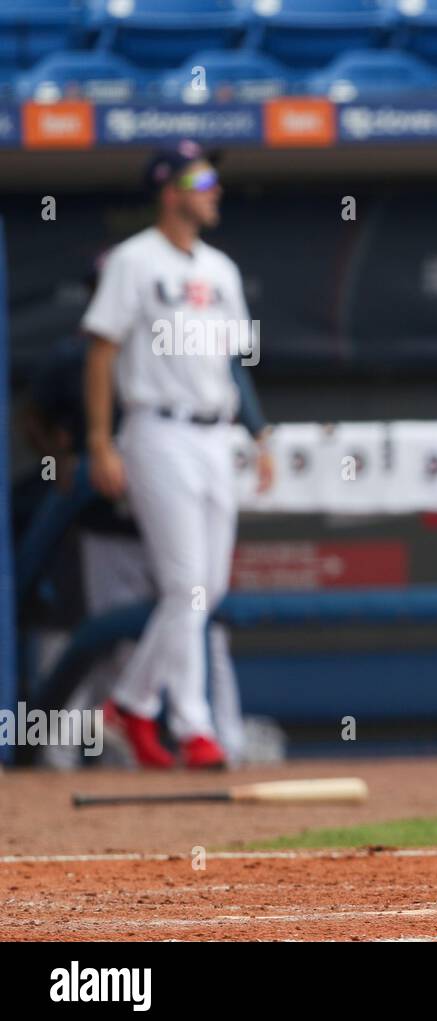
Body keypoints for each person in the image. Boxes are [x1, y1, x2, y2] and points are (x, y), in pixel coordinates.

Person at [82, 140, 273, 770]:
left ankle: (134, 699)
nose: (214, 189)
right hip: (156, 431)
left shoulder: (220, 268)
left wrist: (258, 432)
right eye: (202, 179)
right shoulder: (133, 260)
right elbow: (101, 350)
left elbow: (233, 363)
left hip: (215, 434)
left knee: (207, 588)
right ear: (171, 190)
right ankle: (193, 726)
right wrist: (99, 440)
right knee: (186, 586)